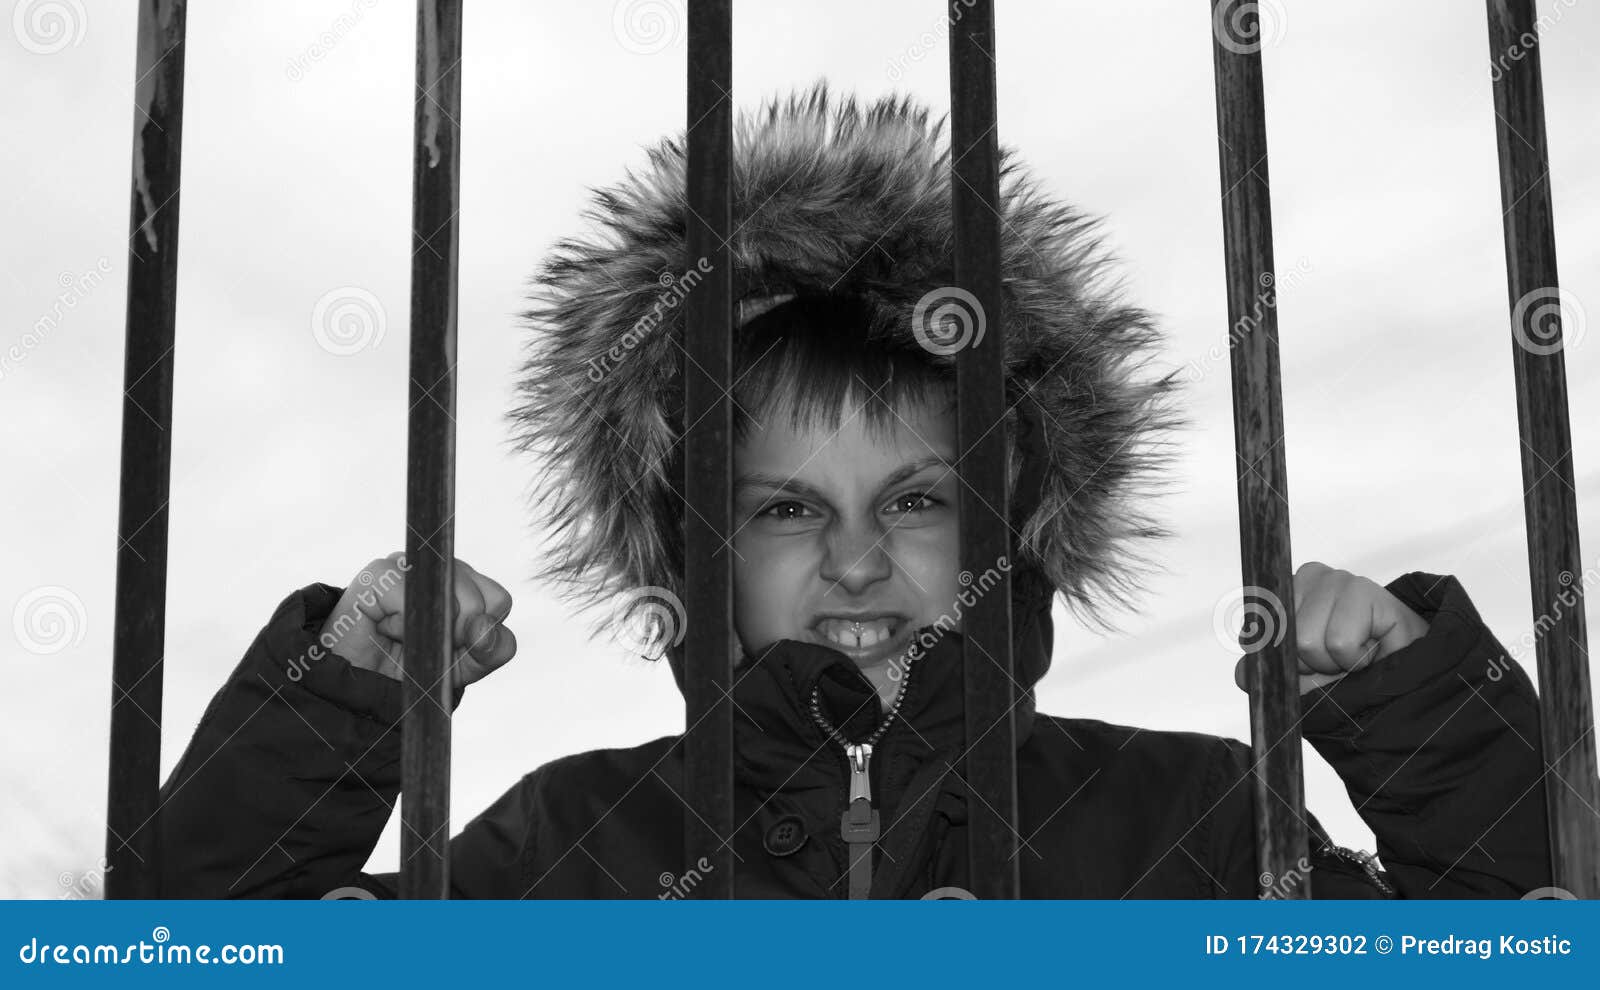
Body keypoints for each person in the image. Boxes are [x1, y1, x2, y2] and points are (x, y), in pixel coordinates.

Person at [157, 85, 1551, 899]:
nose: (858, 561)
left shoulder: (1187, 816)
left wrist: (1424, 720)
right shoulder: (572, 842)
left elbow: (1534, 935)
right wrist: (339, 704)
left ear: (1014, 524)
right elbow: (195, 954)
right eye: (784, 509)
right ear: (695, 554)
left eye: (917, 501)